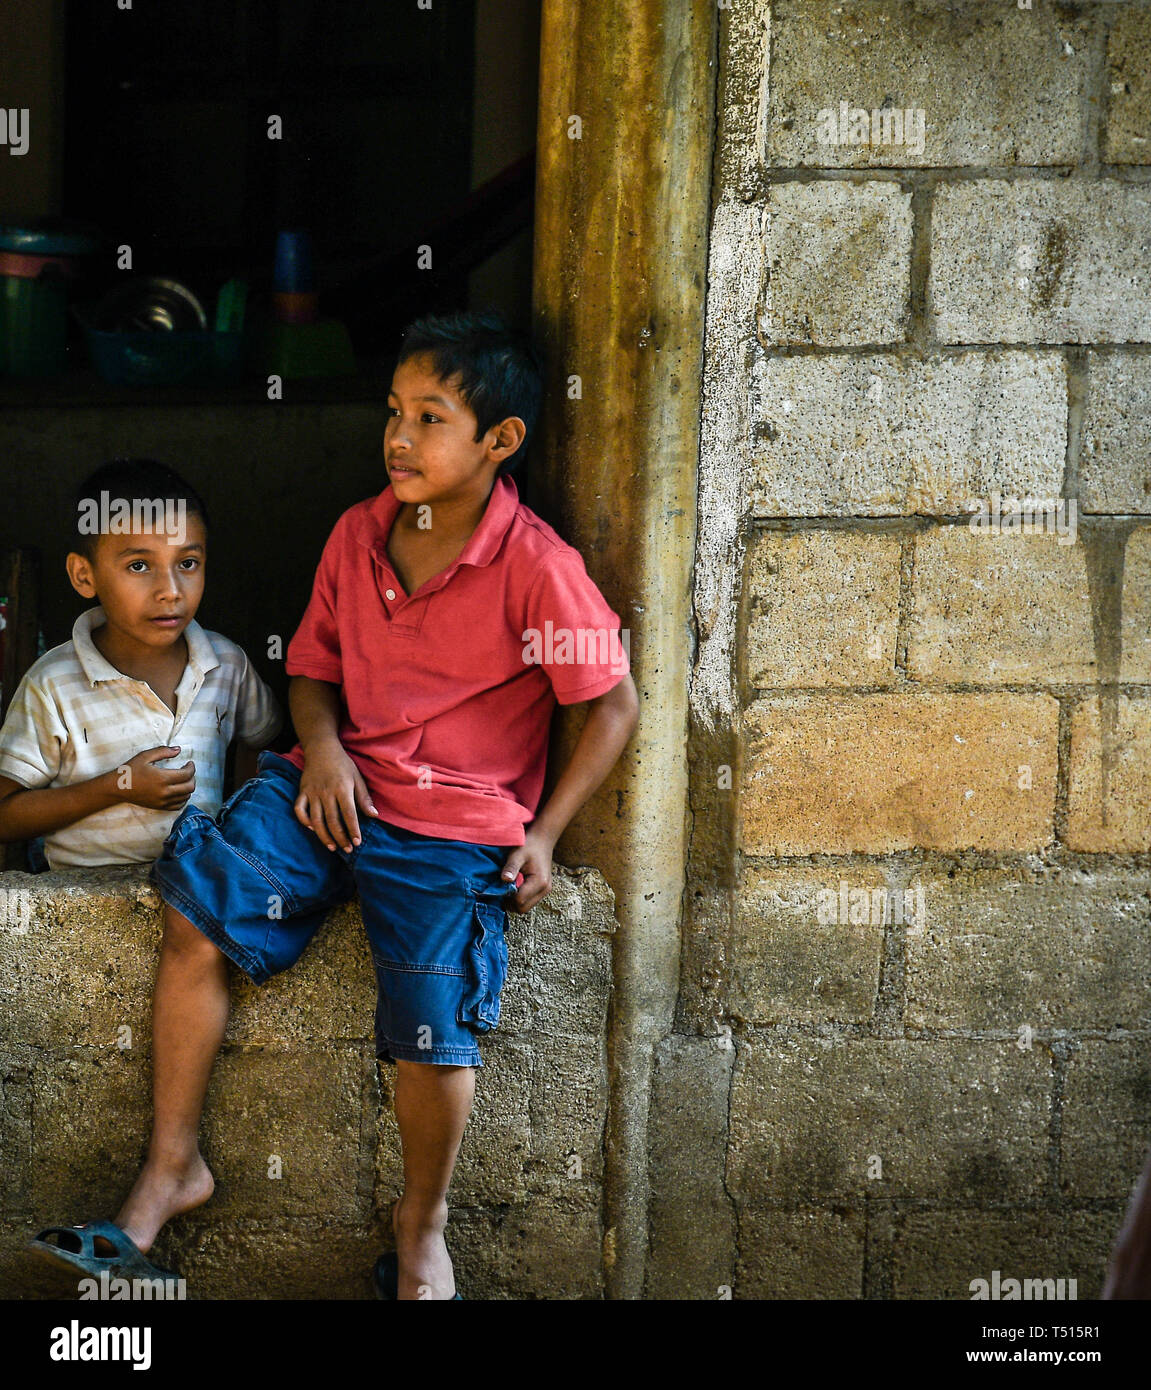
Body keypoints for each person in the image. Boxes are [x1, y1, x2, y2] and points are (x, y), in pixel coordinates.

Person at [30, 311, 639, 1300]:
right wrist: (318, 751)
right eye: (392, 412)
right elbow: (310, 673)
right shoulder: (358, 535)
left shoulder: (534, 567)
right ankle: (169, 1171)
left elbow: (611, 703)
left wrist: (544, 832)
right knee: (198, 906)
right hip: (338, 790)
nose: (398, 437)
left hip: (452, 828)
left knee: (433, 1028)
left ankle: (420, 1229)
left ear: (500, 441)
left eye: (430, 418)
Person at [0, 458, 281, 867]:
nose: (170, 590)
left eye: (187, 563)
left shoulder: (226, 664)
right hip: (85, 912)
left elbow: (263, 740)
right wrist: (116, 787)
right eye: (139, 566)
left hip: (204, 899)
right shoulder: (52, 683)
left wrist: (238, 830)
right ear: (84, 576)